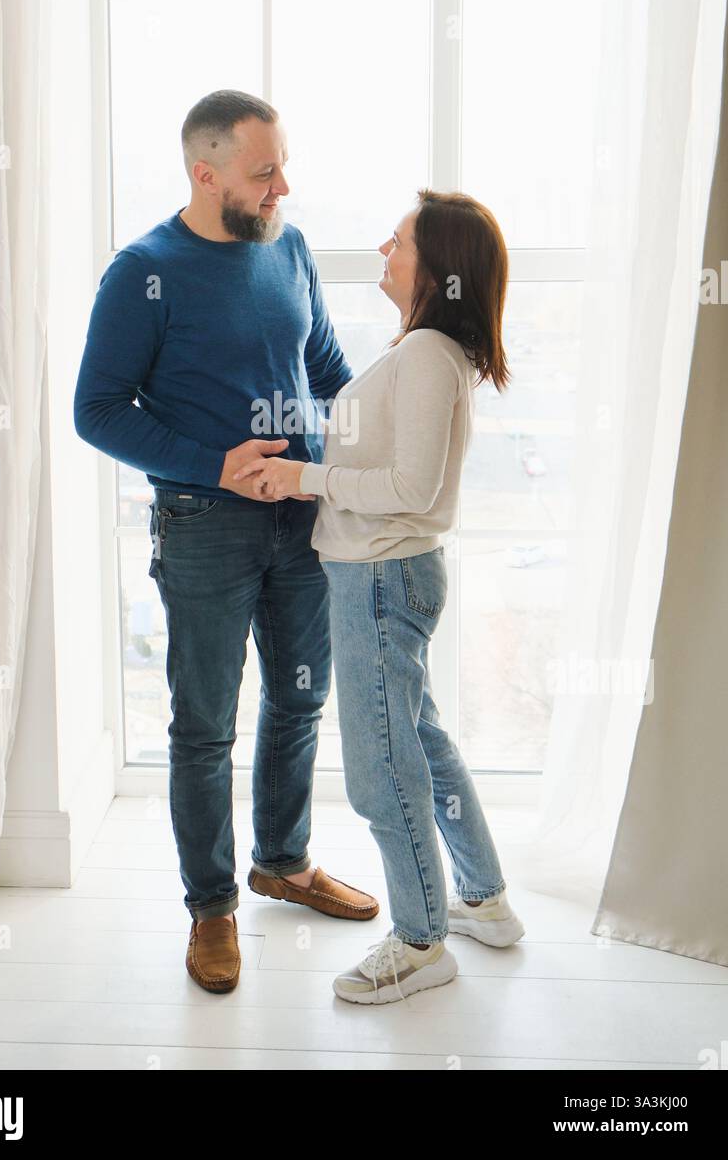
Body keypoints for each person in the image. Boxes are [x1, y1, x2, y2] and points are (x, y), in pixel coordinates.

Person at [73, 90, 381, 995]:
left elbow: (322, 369)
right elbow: (96, 410)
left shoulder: (286, 245)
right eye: (263, 171)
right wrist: (215, 464)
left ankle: (281, 862)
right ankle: (211, 907)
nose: (283, 184)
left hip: (304, 517)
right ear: (204, 175)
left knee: (298, 704)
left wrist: (393, 418)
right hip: (205, 527)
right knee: (203, 728)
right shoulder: (142, 273)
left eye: (281, 165)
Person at [234, 189, 526, 1004]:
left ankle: (422, 939)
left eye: (397, 242)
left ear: (437, 270)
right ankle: (483, 900)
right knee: (421, 742)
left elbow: (409, 485)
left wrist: (303, 476)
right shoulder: (424, 349)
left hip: (380, 577)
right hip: (383, 572)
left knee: (380, 771)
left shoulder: (429, 354)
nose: (383, 252)